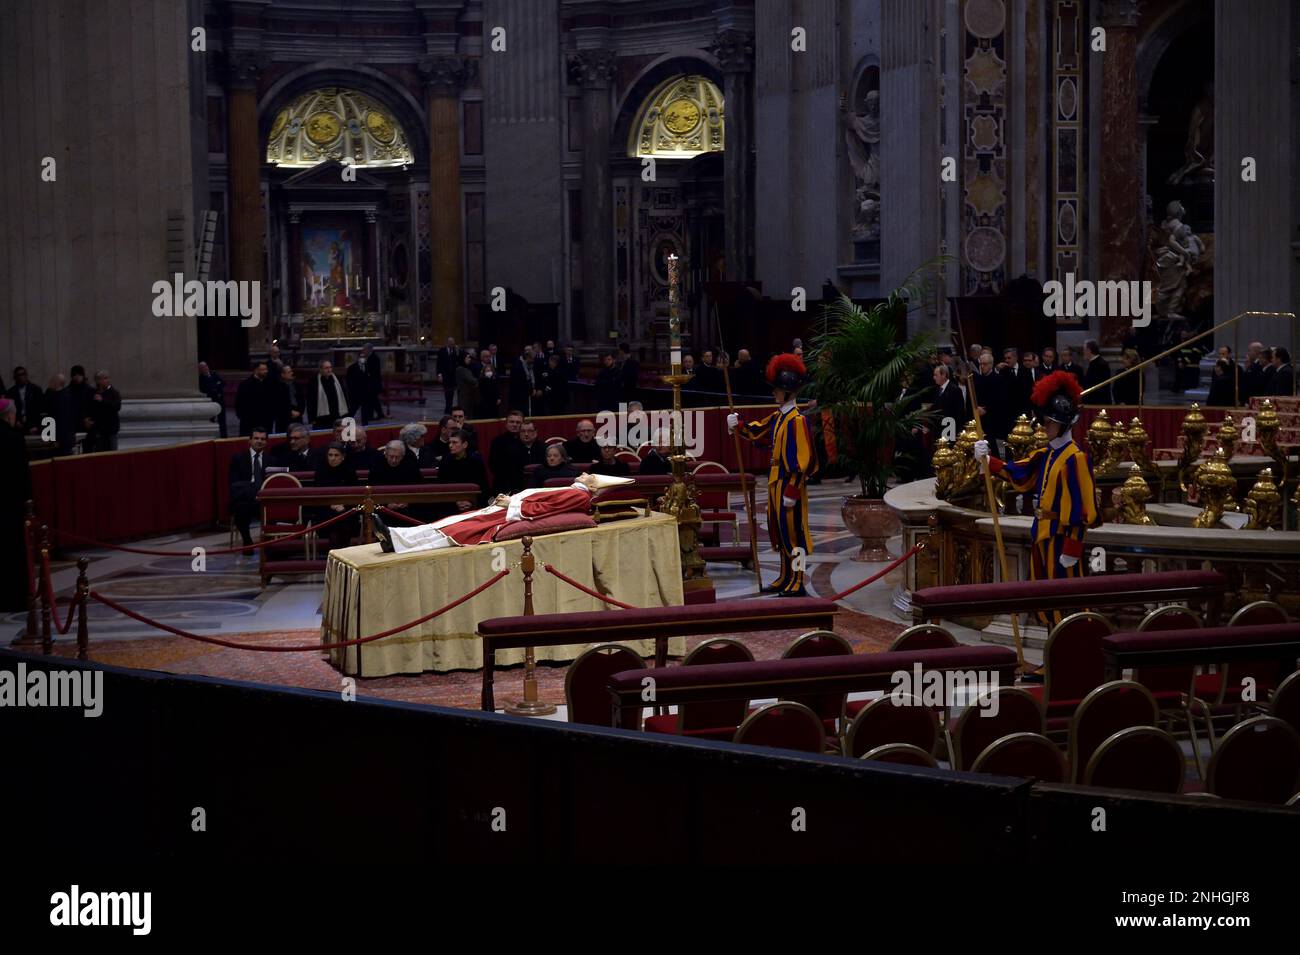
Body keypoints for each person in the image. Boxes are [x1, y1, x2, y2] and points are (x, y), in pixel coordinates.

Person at [974, 371, 1098, 595]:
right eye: (1044, 421)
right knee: (1043, 597)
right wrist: (987, 459)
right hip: (1040, 534)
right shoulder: (1046, 454)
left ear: (1063, 424)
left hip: (1061, 539)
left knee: (1064, 598)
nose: (1044, 426)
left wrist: (1073, 546)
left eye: (1049, 422)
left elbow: (1083, 508)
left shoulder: (1076, 459)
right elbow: (1017, 473)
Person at [728, 354, 819, 597]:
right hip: (775, 482)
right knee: (780, 533)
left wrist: (792, 489)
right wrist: (739, 425)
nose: (774, 394)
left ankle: (797, 579)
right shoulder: (779, 417)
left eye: (778, 390)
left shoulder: (797, 421)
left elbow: (804, 461)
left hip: (789, 485)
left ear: (788, 392)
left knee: (794, 535)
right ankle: (785, 576)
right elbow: (758, 431)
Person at [372, 472, 633, 554]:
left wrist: (512, 506)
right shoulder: (576, 490)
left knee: (458, 529)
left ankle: (398, 542)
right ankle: (395, 536)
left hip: (510, 515)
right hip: (510, 509)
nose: (585, 473)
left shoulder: (578, 494)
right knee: (452, 521)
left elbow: (546, 509)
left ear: (591, 485)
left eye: (590, 475)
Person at [0, 398, 33, 612]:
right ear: (10, 416)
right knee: (12, 554)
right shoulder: (15, 439)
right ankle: (15, 600)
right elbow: (24, 475)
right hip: (11, 506)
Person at [311, 443, 359, 552]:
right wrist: (330, 505)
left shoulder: (350, 472)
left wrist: (344, 505)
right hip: (325, 512)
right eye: (330, 455)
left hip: (346, 510)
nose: (332, 458)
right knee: (334, 523)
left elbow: (356, 495)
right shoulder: (320, 472)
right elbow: (317, 496)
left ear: (343, 457)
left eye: (336, 455)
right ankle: (337, 556)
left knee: (343, 521)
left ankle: (340, 556)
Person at [228, 428, 269, 547]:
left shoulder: (272, 460)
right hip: (246, 498)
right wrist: (254, 493)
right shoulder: (238, 459)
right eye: (256, 438)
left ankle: (270, 543)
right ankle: (247, 541)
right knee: (240, 506)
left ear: (266, 442)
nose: (259, 441)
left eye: (262, 439)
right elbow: (234, 484)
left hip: (265, 500)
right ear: (250, 440)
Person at [435, 431, 489, 510]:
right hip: (450, 502)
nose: (450, 445)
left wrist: (470, 501)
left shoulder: (475, 461)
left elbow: (482, 486)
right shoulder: (445, 460)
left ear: (465, 444)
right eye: (449, 442)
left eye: (454, 443)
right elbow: (442, 485)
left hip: (474, 501)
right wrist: (456, 501)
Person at [966, 352, 1009, 449]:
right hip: (979, 419)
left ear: (991, 364)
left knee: (992, 446)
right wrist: (976, 408)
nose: (982, 366)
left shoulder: (999, 379)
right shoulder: (977, 380)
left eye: (985, 364)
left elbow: (1001, 400)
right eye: (981, 364)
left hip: (993, 418)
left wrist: (986, 410)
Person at [488, 411, 527, 495]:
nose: (515, 424)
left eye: (518, 422)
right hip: (502, 486)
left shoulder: (527, 441)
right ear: (506, 424)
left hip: (523, 485)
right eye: (512, 422)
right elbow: (493, 465)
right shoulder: (497, 441)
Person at [84, 370, 122, 452]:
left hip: (110, 428)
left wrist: (103, 400)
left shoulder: (114, 393)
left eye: (104, 378)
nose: (102, 381)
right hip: (98, 429)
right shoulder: (94, 393)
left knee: (112, 452)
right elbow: (90, 407)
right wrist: (87, 418)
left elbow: (116, 406)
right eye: (99, 379)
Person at [235, 361, 275, 436]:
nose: (266, 371)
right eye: (263, 370)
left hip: (266, 420)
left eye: (266, 369)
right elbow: (239, 402)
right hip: (250, 421)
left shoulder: (270, 383)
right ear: (256, 370)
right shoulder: (245, 384)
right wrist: (242, 416)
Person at [43, 374, 79, 456]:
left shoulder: (61, 398)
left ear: (56, 383)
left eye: (51, 381)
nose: (49, 383)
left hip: (62, 440)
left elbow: (61, 421)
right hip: (65, 438)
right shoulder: (65, 396)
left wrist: (56, 439)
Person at [307, 360, 348, 430]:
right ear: (320, 369)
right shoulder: (314, 382)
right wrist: (311, 419)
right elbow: (310, 402)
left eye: (330, 367)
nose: (329, 370)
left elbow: (344, 396)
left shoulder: (337, 379)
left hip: (337, 415)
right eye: (326, 368)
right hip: (321, 419)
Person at [6, 367, 43, 434]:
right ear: (15, 377)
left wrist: (37, 425)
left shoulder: (35, 390)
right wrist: (15, 421)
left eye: (23, 374)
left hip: (33, 424)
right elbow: (9, 410)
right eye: (19, 375)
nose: (22, 377)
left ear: (26, 375)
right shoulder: (11, 392)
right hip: (17, 424)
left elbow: (40, 408)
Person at [198, 362, 227, 438]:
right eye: (203, 367)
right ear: (200, 369)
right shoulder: (200, 379)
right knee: (211, 419)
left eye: (206, 366)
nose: (205, 368)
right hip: (210, 402)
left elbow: (223, 383)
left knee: (222, 420)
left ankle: (224, 437)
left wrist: (215, 387)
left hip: (220, 400)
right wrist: (216, 385)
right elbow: (205, 389)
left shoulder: (214, 374)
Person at [273, 364, 304, 433]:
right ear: (282, 375)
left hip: (298, 417)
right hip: (284, 419)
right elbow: (277, 404)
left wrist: (300, 412)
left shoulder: (297, 385)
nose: (292, 373)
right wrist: (290, 412)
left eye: (291, 371)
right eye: (289, 372)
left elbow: (302, 400)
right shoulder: (276, 387)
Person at [1081, 339, 1111, 404]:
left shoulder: (1101, 364)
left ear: (1089, 350)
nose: (1083, 352)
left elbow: (1101, 387)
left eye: (1084, 350)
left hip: (1099, 403)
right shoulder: (1093, 363)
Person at [345, 352, 371, 424]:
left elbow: (369, 380)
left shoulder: (368, 367)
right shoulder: (352, 368)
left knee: (365, 412)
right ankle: (347, 425)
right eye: (361, 357)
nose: (363, 359)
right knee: (352, 411)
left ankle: (365, 426)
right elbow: (349, 381)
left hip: (365, 394)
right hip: (355, 394)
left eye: (364, 357)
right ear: (358, 358)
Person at [436, 337, 460, 413]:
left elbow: (458, 361)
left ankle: (449, 408)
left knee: (452, 393)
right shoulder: (442, 351)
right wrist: (439, 375)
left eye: (453, 342)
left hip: (453, 376)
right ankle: (448, 408)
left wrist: (457, 351)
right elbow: (439, 364)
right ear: (447, 343)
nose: (452, 344)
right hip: (445, 375)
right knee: (447, 392)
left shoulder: (455, 351)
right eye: (450, 342)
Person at [477, 349, 501, 419]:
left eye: (489, 356)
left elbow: (497, 386)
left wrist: (498, 397)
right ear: (481, 357)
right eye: (486, 356)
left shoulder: (493, 368)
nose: (488, 358)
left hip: (494, 400)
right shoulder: (478, 368)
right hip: (484, 401)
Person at [363, 343, 384, 421]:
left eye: (364, 349)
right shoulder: (370, 357)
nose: (363, 351)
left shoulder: (374, 358)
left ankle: (375, 415)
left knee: (372, 399)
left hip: (374, 383)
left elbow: (372, 371)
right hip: (371, 383)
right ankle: (378, 414)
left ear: (369, 349)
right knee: (373, 400)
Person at [454, 351, 479, 415]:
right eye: (467, 357)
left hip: (469, 394)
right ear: (463, 358)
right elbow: (472, 380)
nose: (469, 359)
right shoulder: (461, 369)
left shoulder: (466, 368)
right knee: (465, 412)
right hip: (465, 395)